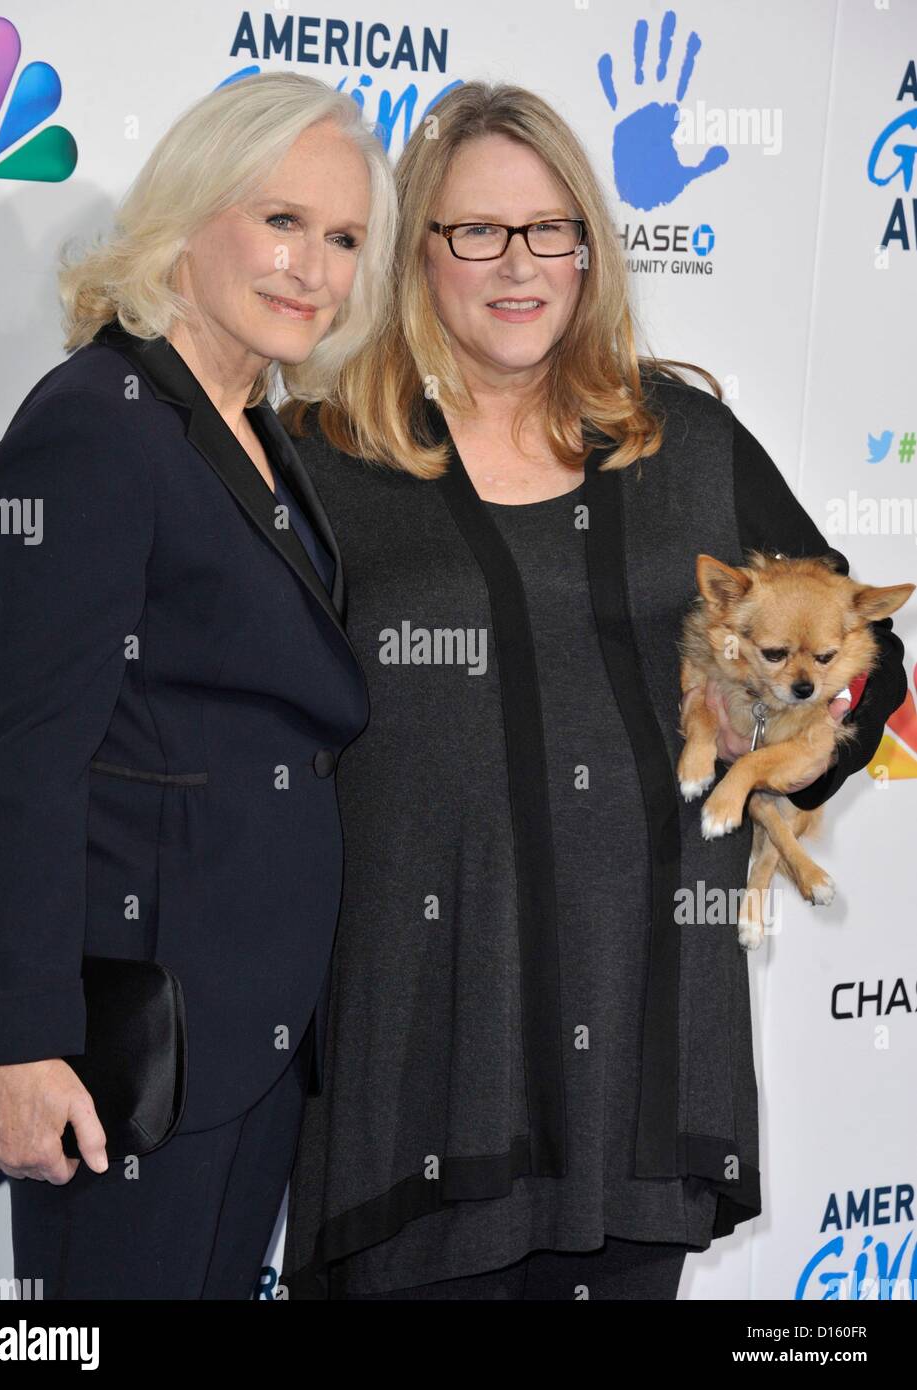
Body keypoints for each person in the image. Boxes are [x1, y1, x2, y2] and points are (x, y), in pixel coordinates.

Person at [277, 82, 909, 1301]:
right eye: (477, 231)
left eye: (551, 227)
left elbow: (856, 662)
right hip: (422, 1058)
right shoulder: (323, 455)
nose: (520, 265)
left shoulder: (686, 441)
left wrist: (786, 742)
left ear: (591, 247)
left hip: (641, 1051)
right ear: (418, 253)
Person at [0, 70, 396, 1299]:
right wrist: (17, 1037)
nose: (314, 266)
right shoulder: (97, 421)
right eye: (282, 220)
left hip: (253, 1037)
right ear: (192, 214)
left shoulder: (263, 434)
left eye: (345, 237)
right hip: (131, 1051)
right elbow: (21, 754)